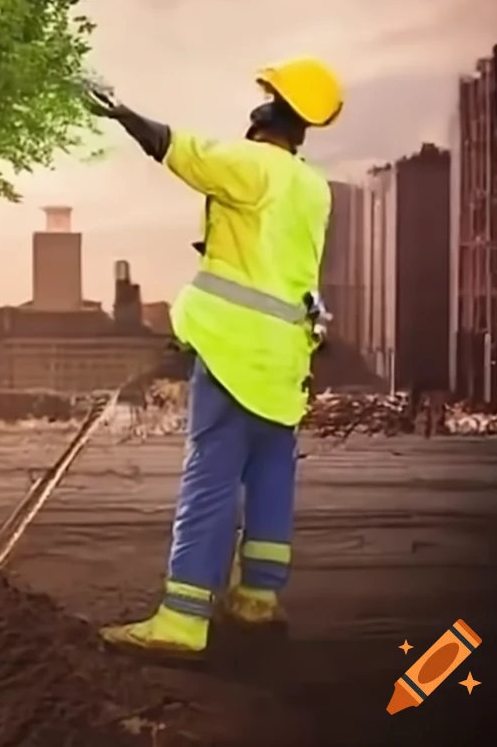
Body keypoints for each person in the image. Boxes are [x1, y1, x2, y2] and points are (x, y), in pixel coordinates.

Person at [84, 58, 343, 660]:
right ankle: (257, 598)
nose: (253, 107)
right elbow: (269, 258)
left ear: (273, 110)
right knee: (272, 474)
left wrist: (123, 114)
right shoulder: (313, 187)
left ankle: (182, 618)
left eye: (263, 97)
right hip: (285, 359)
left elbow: (181, 149)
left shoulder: (252, 164)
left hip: (234, 352)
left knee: (211, 476)